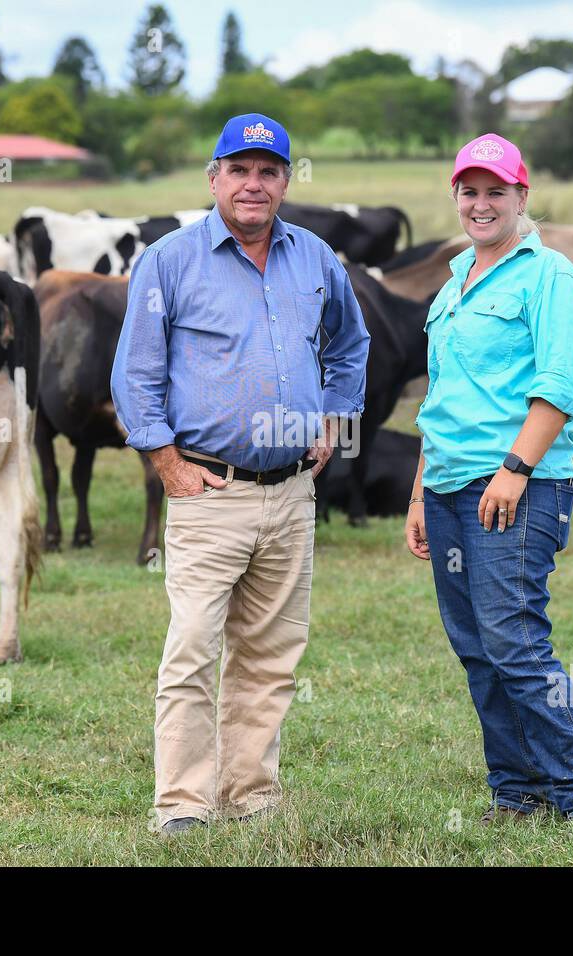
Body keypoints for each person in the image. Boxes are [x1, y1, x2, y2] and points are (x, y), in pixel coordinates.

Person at [111, 112, 371, 837]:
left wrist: (335, 420)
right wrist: (166, 462)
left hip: (291, 493)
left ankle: (249, 794)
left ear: (286, 180)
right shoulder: (170, 261)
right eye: (240, 170)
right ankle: (184, 807)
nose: (254, 184)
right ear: (214, 177)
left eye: (269, 171)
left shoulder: (316, 257)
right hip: (209, 488)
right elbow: (136, 373)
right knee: (193, 648)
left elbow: (351, 344)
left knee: (272, 654)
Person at [404, 133, 573, 828]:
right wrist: (417, 493)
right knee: (477, 649)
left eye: (495, 191)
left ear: (521, 197)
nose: (480, 203)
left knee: (516, 643)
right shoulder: (452, 285)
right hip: (445, 488)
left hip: (517, 486)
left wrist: (516, 468)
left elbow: (560, 385)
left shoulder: (550, 275)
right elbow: (438, 395)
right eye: (469, 191)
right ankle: (518, 790)